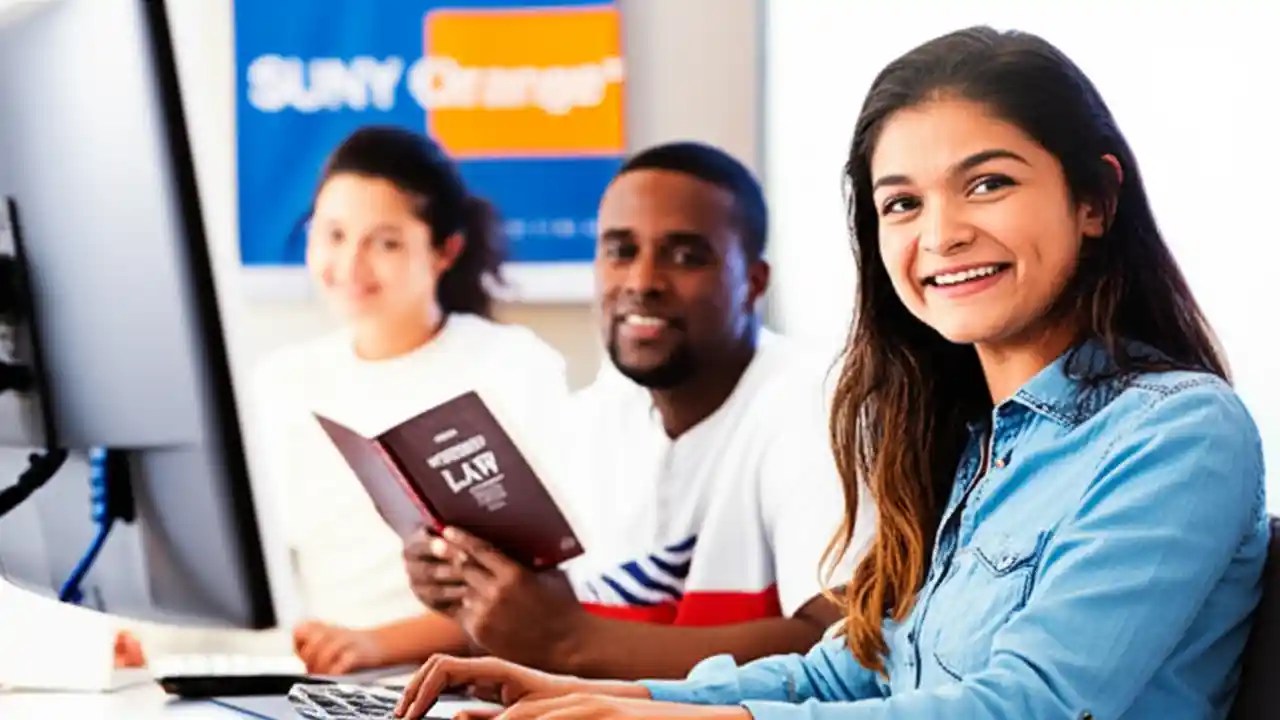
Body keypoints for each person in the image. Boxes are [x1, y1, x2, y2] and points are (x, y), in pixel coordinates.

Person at [392, 26, 1269, 720]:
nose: (942, 233)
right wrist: (589, 697)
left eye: (988, 184)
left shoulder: (1178, 431)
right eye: (902, 202)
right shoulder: (964, 444)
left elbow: (1026, 709)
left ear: (1095, 200)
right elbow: (840, 679)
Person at [399, 142, 867, 680]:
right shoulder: (600, 410)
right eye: (621, 251)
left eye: (686, 256)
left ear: (754, 284)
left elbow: (843, 649)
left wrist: (568, 643)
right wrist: (469, 585)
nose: (642, 282)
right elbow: (559, 619)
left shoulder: (819, 404)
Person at [127, 125, 570, 674]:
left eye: (385, 242)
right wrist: (159, 643)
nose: (351, 265)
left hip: (465, 679)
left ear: (444, 250)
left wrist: (378, 644)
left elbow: (551, 587)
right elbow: (252, 571)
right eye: (333, 235)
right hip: (325, 678)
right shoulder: (284, 380)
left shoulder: (512, 366)